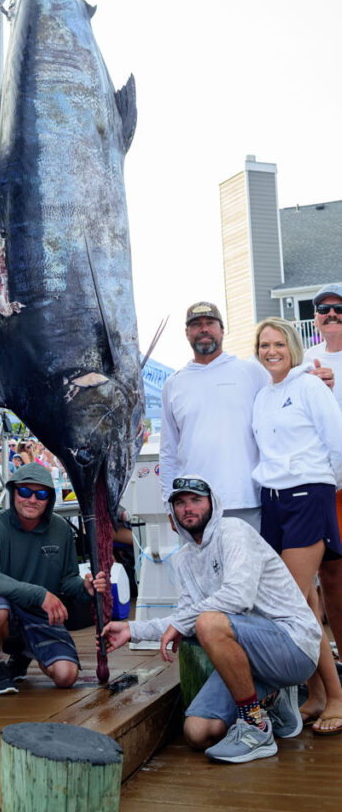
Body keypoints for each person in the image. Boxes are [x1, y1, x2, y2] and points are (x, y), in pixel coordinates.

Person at [102, 477, 320, 764]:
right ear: (173, 512)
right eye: (180, 502)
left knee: (208, 623)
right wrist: (133, 629)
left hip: (292, 645)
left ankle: (256, 726)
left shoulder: (234, 532)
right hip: (247, 657)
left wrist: (184, 624)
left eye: (196, 500)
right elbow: (184, 617)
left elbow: (237, 596)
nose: (188, 508)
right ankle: (272, 700)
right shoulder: (185, 558)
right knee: (197, 732)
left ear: (212, 503)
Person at [160, 301, 334, 527]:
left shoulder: (252, 371)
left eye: (210, 323)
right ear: (186, 333)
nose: (203, 329)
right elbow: (168, 451)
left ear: (222, 330)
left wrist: (319, 375)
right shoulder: (173, 384)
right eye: (196, 324)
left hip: (247, 501)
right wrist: (168, 504)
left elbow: (288, 374)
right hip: (194, 506)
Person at [252, 316, 342, 736]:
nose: (271, 351)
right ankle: (317, 694)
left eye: (278, 344)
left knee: (290, 602)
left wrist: (328, 487)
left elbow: (336, 439)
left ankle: (337, 696)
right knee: (303, 603)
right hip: (272, 500)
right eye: (264, 345)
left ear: (292, 347)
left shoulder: (308, 385)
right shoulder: (263, 396)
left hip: (309, 495)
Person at [0, 462, 107, 695]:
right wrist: (40, 594)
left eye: (41, 494)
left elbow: (67, 581)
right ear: (14, 492)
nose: (32, 499)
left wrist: (86, 587)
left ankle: (23, 654)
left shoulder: (61, 529)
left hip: (41, 616)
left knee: (66, 676)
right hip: (6, 610)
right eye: (25, 491)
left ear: (50, 499)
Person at [304, 284, 342, 695]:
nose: (331, 314)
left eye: (338, 308)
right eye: (323, 309)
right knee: (331, 577)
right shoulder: (303, 365)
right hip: (325, 487)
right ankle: (338, 664)